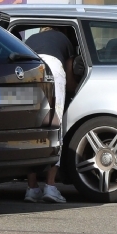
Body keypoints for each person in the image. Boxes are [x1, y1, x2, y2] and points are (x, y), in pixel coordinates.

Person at [23, 27, 74, 203]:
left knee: (32, 130)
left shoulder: (31, 40)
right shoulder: (63, 39)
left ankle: (31, 189)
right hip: (53, 70)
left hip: (29, 71)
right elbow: (70, 75)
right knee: (53, 128)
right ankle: (50, 187)